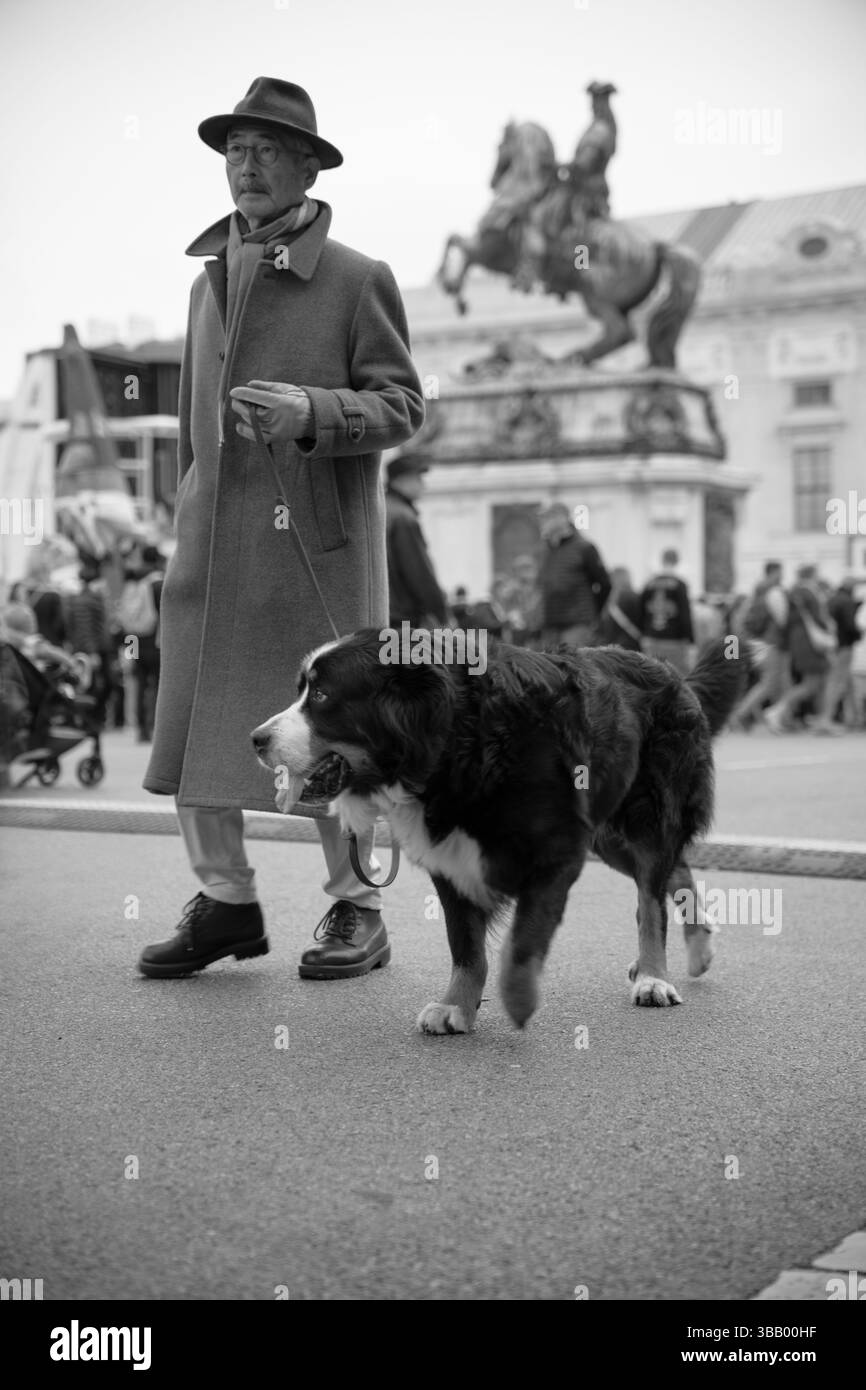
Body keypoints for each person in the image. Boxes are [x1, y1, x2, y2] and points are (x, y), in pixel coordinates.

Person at [139, 76, 424, 981]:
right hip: (212, 549)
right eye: (234, 151)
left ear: (308, 166)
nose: (245, 166)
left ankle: (358, 909)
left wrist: (312, 408)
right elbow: (195, 424)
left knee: (330, 737)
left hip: (314, 555)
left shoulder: (357, 278)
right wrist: (187, 512)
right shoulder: (205, 280)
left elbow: (405, 406)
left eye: (266, 151)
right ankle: (225, 904)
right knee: (195, 726)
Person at [764, 565, 837, 735]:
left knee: (816, 682)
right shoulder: (807, 592)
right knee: (812, 683)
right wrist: (829, 631)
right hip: (810, 642)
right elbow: (818, 617)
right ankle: (778, 711)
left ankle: (821, 719)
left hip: (802, 641)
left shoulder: (795, 591)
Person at [537, 502, 611, 647]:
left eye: (547, 518)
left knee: (572, 666)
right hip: (551, 625)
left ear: (563, 519)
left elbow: (605, 584)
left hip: (577, 625)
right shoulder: (547, 550)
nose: (542, 523)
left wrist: (592, 613)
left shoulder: (584, 548)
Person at [385, 457, 447, 629]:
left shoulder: (384, 509)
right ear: (401, 481)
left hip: (384, 612)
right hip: (401, 618)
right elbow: (418, 571)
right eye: (418, 479)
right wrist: (440, 613)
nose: (423, 485)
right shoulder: (402, 517)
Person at [730, 561, 790, 729]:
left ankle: (780, 718)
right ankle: (741, 714)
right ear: (774, 572)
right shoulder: (773, 591)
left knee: (771, 681)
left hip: (752, 641)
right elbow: (781, 619)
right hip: (769, 641)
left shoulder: (756, 593)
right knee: (769, 682)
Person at [817, 577, 863, 731]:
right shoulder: (846, 601)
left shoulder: (833, 600)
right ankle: (826, 718)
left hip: (834, 646)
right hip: (844, 646)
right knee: (837, 683)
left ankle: (854, 718)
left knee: (847, 683)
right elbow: (850, 625)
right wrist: (859, 633)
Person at [639, 548, 694, 674]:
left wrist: (644, 633)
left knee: (655, 676)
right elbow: (685, 615)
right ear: (677, 562)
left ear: (662, 560)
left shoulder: (649, 583)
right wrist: (691, 641)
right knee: (676, 676)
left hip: (651, 638)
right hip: (674, 640)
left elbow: (641, 612)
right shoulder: (680, 584)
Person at [595, 566, 643, 651]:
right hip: (634, 647)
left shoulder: (610, 600)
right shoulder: (637, 597)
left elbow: (602, 629)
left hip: (612, 649)